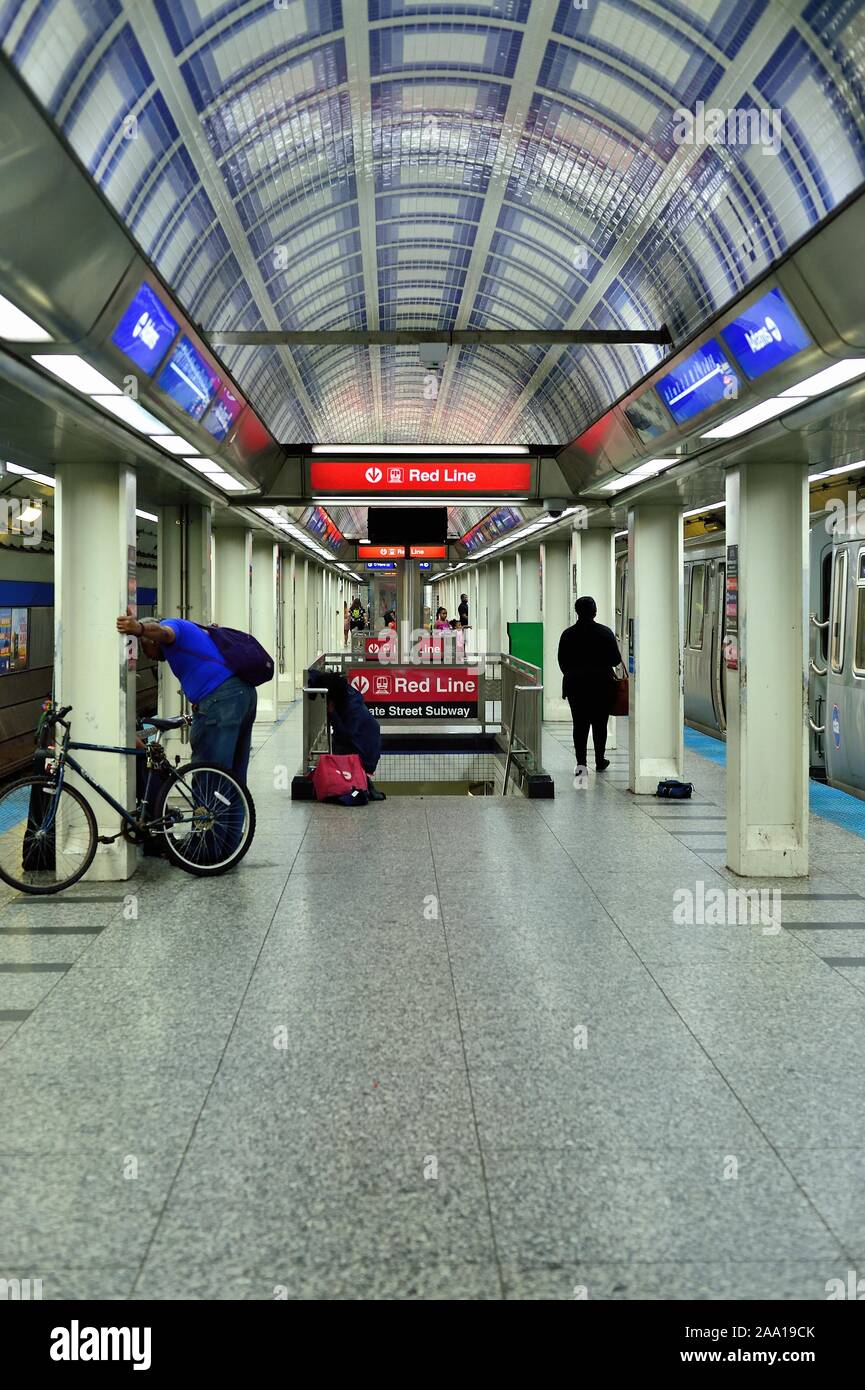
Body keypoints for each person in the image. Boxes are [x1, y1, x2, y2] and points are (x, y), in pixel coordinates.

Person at [115, 607, 257, 781]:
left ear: (153, 641)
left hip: (221, 700)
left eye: (144, 648)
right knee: (233, 775)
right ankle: (236, 808)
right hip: (243, 694)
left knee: (210, 773)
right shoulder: (190, 629)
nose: (147, 656)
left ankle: (209, 808)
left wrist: (140, 629)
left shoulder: (170, 627)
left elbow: (164, 633)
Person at [557, 595, 623, 780]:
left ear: (577, 612)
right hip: (602, 686)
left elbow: (562, 661)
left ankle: (581, 764)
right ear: (595, 611)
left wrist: (574, 673)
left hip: (575, 686)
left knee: (580, 725)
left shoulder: (568, 634)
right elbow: (615, 659)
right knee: (600, 724)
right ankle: (600, 760)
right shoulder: (605, 632)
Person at [306, 669, 385, 801]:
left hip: (365, 743)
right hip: (363, 737)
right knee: (340, 747)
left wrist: (332, 713)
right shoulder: (343, 691)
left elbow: (346, 734)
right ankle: (360, 785)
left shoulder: (352, 708)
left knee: (343, 752)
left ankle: (363, 786)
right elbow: (314, 673)